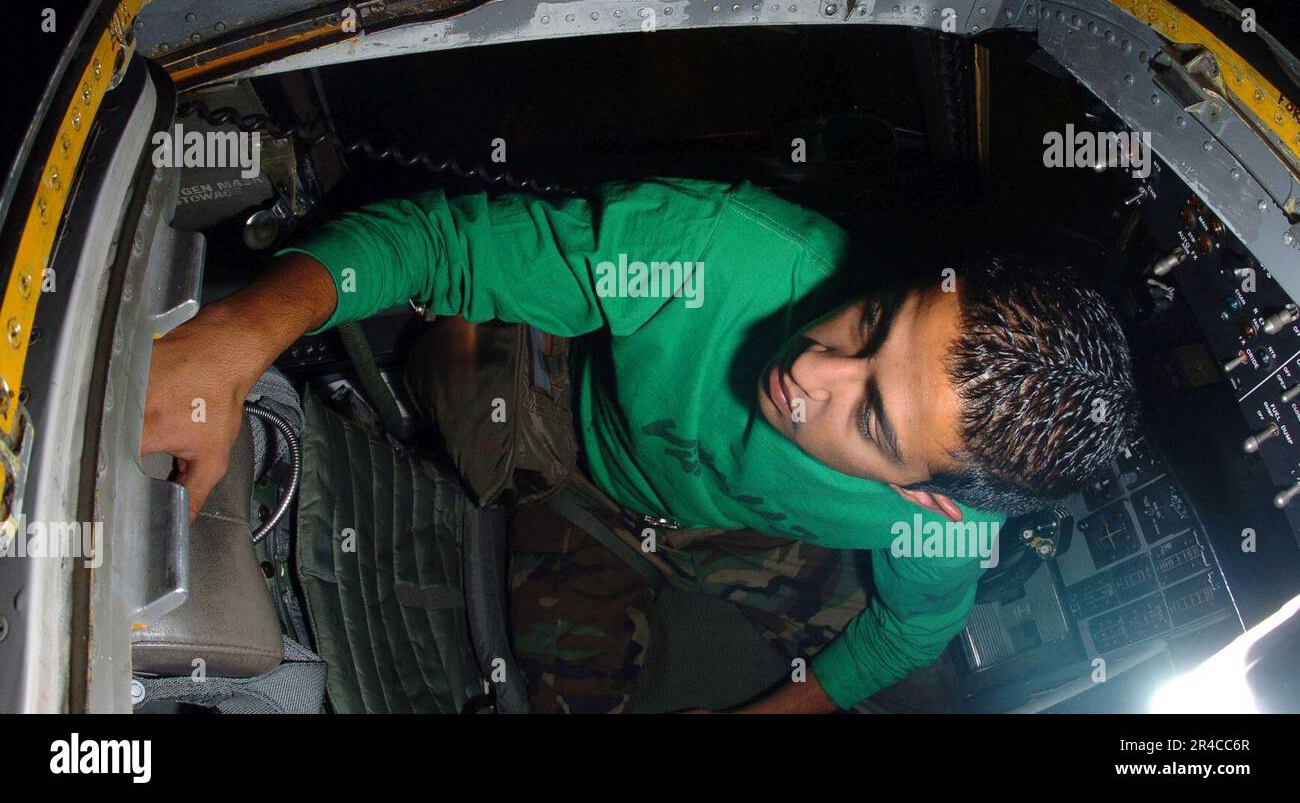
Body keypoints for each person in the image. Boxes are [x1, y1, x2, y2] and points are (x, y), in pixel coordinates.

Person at [142, 177, 1138, 713]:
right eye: (873, 318)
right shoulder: (719, 250)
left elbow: (913, 629)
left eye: (871, 417)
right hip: (578, 454)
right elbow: (439, 242)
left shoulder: (940, 539)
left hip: (731, 522)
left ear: (932, 505)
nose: (813, 370)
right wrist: (238, 335)